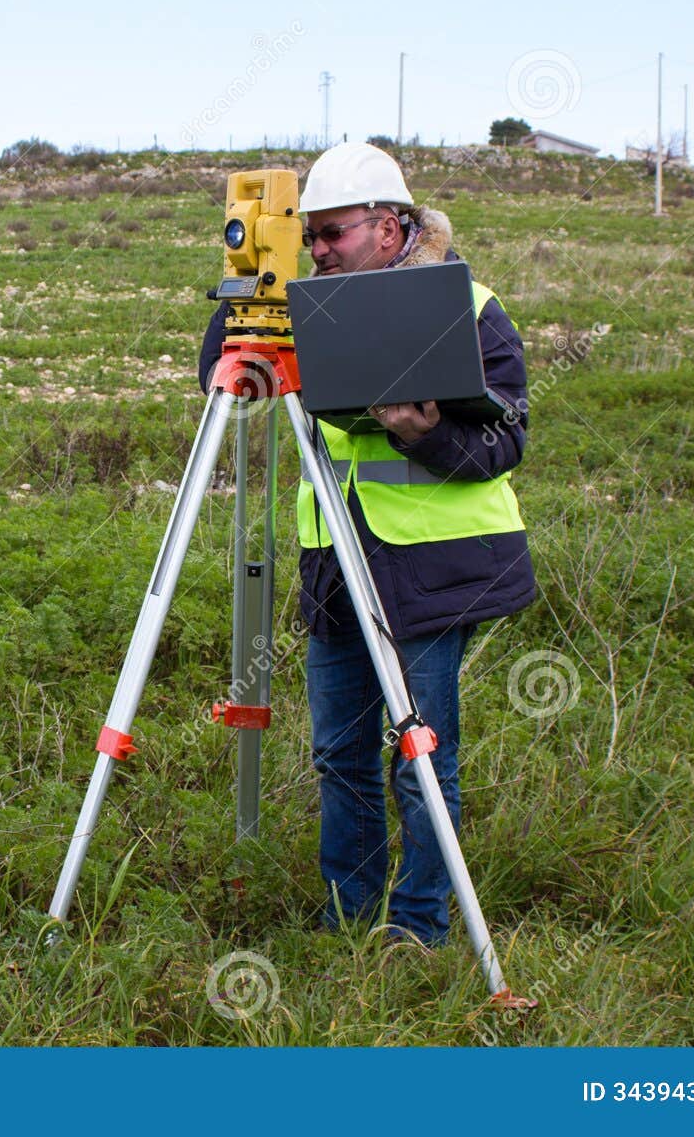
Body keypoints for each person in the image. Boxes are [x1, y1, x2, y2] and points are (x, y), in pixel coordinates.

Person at [196, 141, 536, 945]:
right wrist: (252, 290)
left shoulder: (471, 305)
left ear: (389, 227)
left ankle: (416, 927)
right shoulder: (303, 308)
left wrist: (426, 436)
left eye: (332, 233)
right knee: (337, 751)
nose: (318, 250)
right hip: (335, 567)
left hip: (436, 567)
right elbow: (221, 370)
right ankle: (345, 913)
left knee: (419, 756)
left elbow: (508, 440)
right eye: (307, 234)